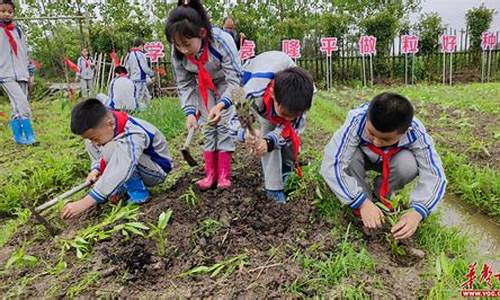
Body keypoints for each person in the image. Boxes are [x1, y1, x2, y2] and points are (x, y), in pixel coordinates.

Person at [320, 92, 447, 240]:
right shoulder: (357, 120)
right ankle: (363, 201)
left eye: (386, 139)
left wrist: (418, 212)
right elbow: (331, 163)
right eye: (371, 134)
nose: (376, 142)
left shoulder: (415, 131)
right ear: (367, 118)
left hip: (392, 160)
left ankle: (383, 196)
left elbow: (435, 174)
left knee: (408, 164)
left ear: (403, 132)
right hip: (362, 157)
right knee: (349, 158)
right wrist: (361, 202)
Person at [165, 0, 242, 190]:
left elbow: (236, 79)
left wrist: (222, 104)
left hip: (228, 82)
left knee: (223, 123)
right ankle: (210, 174)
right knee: (208, 126)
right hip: (203, 84)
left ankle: (224, 174)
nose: (182, 49)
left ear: (202, 33)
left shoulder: (222, 40)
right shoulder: (178, 53)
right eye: (177, 44)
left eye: (186, 44)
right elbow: (185, 84)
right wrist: (190, 113)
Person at [61, 99, 173, 219]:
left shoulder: (133, 133)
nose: (95, 143)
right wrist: (96, 169)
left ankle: (139, 194)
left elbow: (123, 165)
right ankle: (121, 187)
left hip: (156, 170)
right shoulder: (109, 127)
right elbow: (99, 155)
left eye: (95, 138)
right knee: (100, 146)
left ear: (110, 124)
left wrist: (85, 203)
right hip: (138, 165)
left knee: (112, 149)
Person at [234, 51, 314, 203]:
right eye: (284, 113)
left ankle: (287, 171)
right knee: (267, 134)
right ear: (272, 95)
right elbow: (233, 117)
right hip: (253, 91)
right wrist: (245, 134)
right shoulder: (247, 91)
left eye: (294, 115)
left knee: (286, 135)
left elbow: (292, 128)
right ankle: (274, 190)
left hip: (278, 79)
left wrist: (270, 142)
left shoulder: (306, 93)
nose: (288, 119)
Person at [0, 0, 36, 145]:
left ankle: (18, 136)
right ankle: (30, 136)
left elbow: (24, 52)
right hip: (5, 74)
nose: (7, 14)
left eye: (10, 11)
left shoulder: (18, 31)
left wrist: (30, 71)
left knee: (17, 106)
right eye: (3, 11)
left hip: (22, 73)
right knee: (22, 104)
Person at [124, 39, 155, 110]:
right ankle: (136, 110)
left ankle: (149, 109)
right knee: (139, 96)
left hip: (133, 78)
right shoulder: (141, 54)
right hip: (140, 78)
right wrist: (152, 74)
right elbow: (144, 67)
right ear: (141, 45)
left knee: (146, 95)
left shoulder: (129, 55)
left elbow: (126, 68)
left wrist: (127, 77)